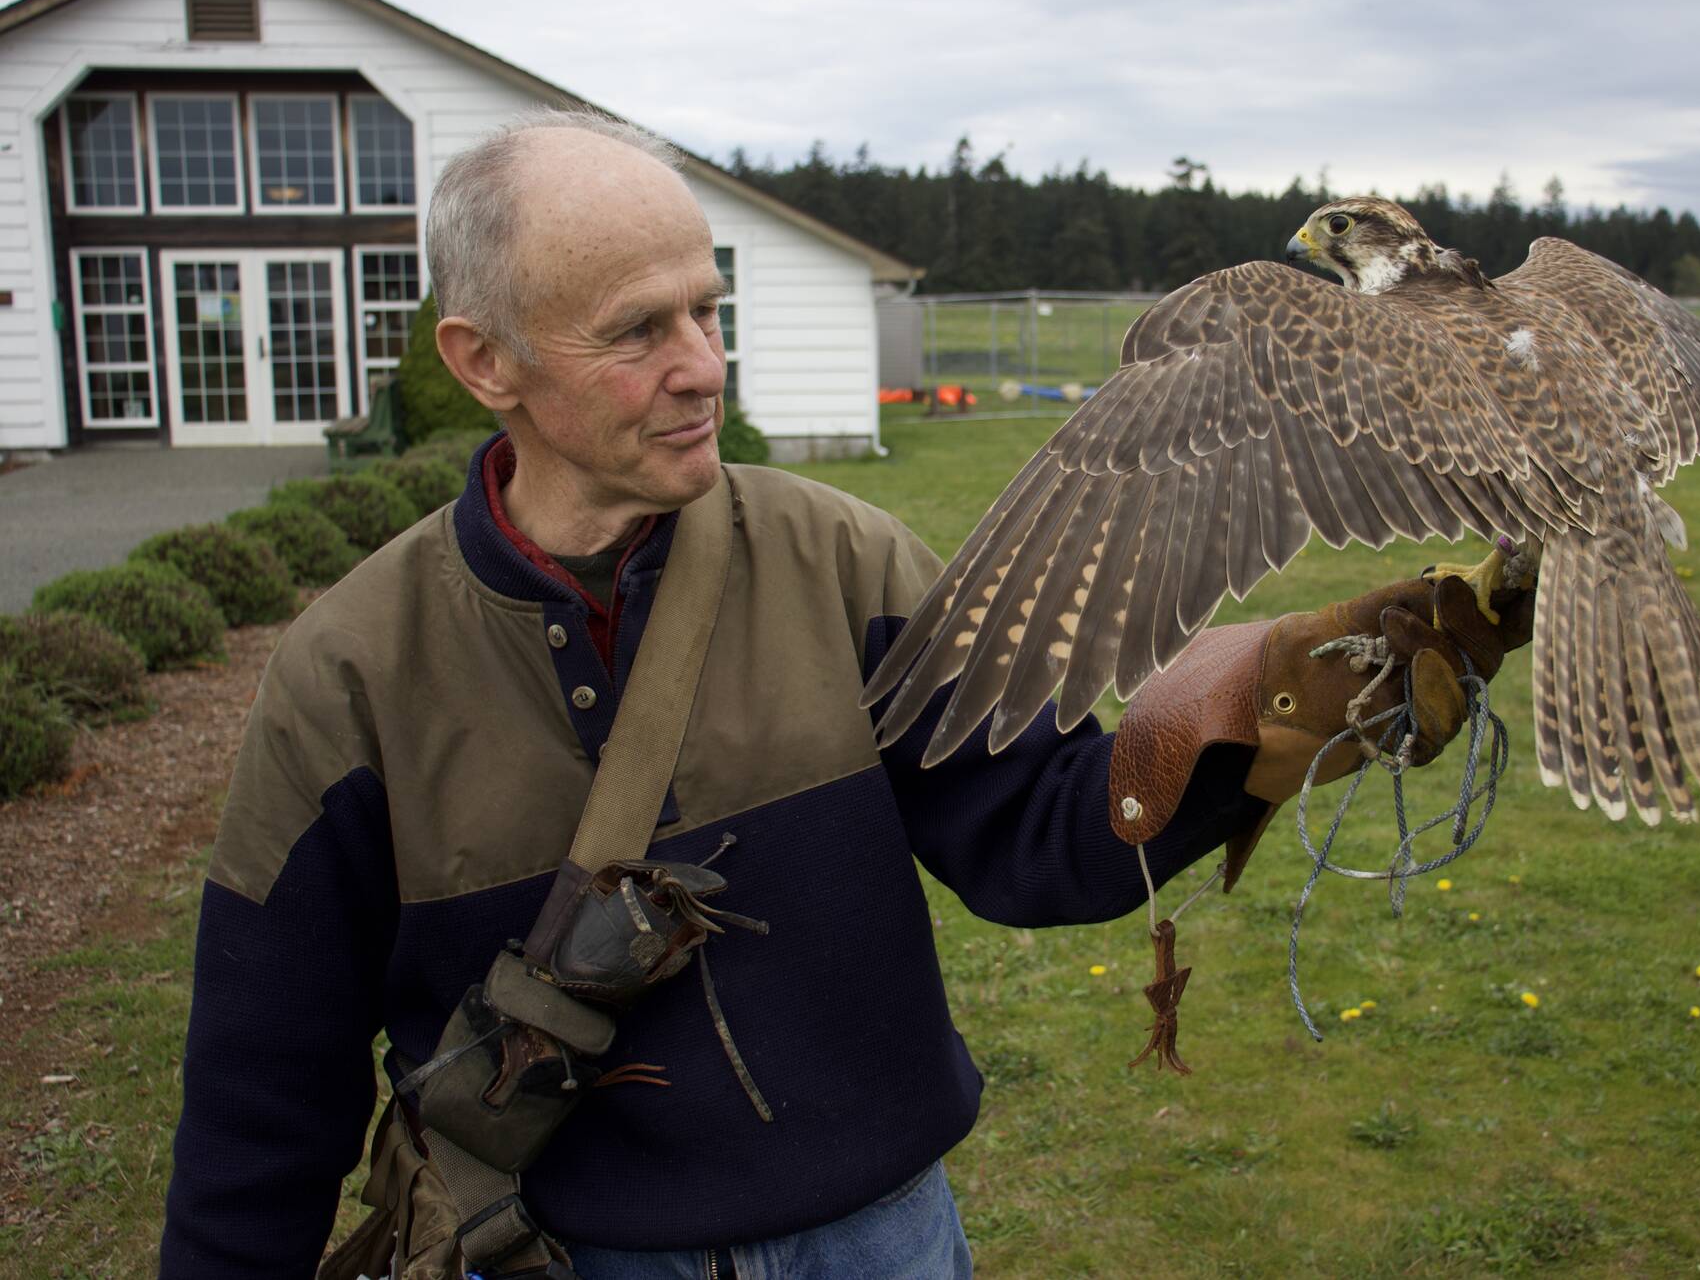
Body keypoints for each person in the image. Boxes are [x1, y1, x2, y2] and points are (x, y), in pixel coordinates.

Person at [158, 110, 1528, 1279]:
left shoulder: (843, 560)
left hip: (880, 1241)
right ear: (483, 362)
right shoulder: (351, 676)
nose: (704, 363)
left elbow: (1034, 829)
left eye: (710, 307)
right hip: (562, 1253)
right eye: (638, 331)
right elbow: (260, 1107)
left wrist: (1252, 719)